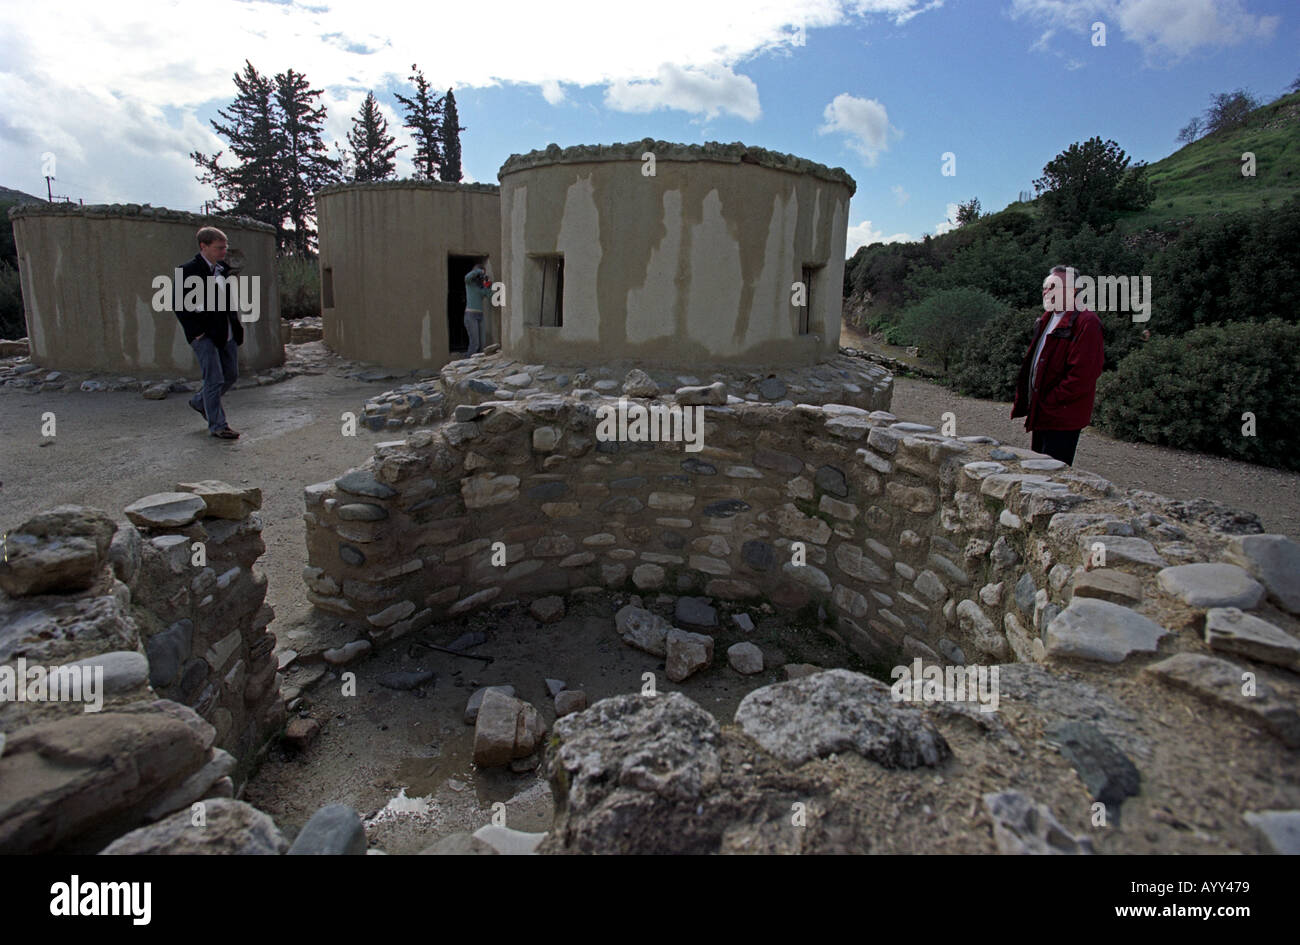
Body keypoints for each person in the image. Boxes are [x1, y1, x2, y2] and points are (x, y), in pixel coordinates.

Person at [1009, 265, 1105, 466]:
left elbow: (1083, 375)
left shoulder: (1087, 322)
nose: (1047, 291)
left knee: (1053, 475)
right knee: (1038, 468)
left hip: (1062, 416)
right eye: (1046, 287)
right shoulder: (1047, 318)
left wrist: (1051, 401)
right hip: (1042, 412)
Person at [175, 227, 244, 439]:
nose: (224, 251)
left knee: (231, 374)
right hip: (204, 335)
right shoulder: (187, 270)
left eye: (225, 247)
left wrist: (236, 326)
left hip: (226, 331)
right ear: (203, 246)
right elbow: (179, 305)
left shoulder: (222, 269)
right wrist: (196, 333)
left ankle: (199, 402)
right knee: (213, 379)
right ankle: (218, 426)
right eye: (219, 248)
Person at [464, 258, 492, 356]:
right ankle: (467, 363)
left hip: (480, 315)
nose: (481, 276)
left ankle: (478, 365)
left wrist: (488, 286)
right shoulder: (470, 283)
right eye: (480, 275)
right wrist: (479, 271)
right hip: (470, 315)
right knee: (474, 343)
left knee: (482, 344)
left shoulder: (481, 286)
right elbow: (467, 277)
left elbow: (489, 296)